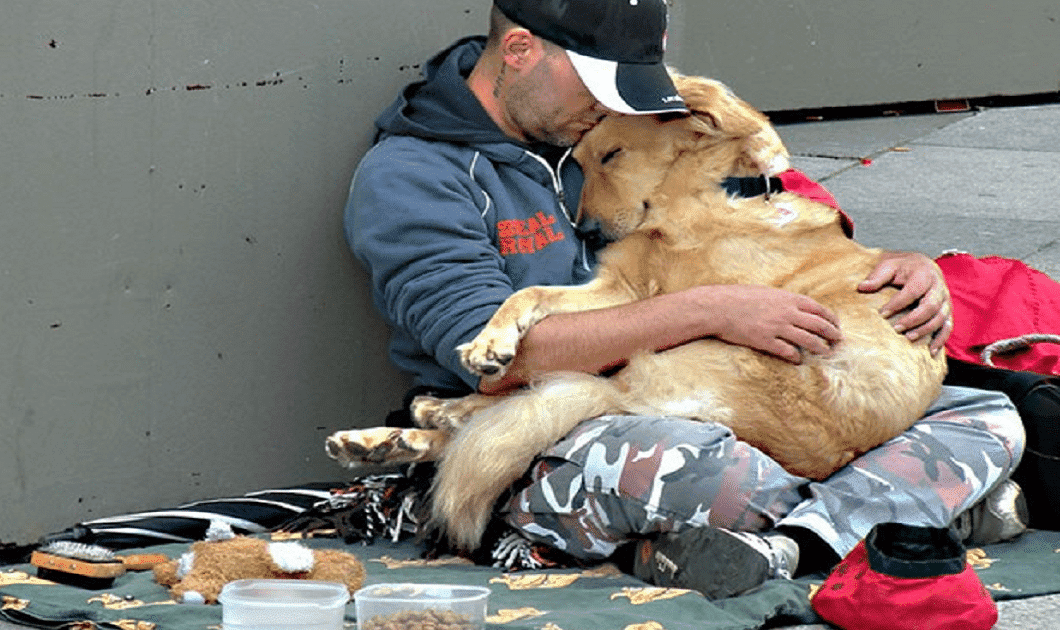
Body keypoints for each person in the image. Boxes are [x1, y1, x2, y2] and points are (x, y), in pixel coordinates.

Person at [344, 0, 1026, 599]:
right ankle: (905, 512)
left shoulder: (604, 117)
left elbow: (772, 217)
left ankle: (789, 543)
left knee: (989, 414)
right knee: (712, 476)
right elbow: (498, 361)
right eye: (598, 85)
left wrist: (900, 269)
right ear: (519, 51)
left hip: (735, 386)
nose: (611, 108)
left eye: (627, 88)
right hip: (555, 425)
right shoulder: (413, 176)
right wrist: (712, 310)